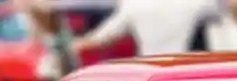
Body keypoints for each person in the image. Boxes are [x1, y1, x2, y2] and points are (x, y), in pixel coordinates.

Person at [71, 0, 221, 56]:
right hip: (190, 74)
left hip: (152, 73)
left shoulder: (134, 5)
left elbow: (98, 40)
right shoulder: (203, 3)